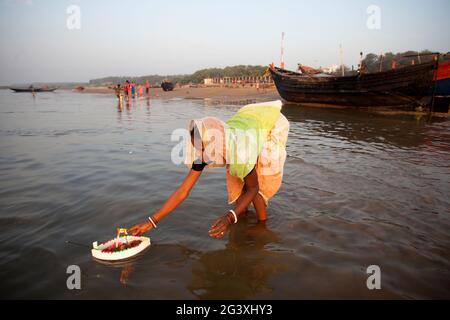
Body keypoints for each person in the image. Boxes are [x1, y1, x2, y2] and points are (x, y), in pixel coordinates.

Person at [128, 100, 289, 239]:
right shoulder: (206, 150)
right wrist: (151, 222)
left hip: (269, 122)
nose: (201, 154)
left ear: (215, 143)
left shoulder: (240, 151)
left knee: (253, 180)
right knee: (237, 180)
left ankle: (262, 224)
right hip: (246, 119)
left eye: (203, 148)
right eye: (197, 148)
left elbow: (254, 188)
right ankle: (243, 215)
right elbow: (183, 190)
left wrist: (229, 217)